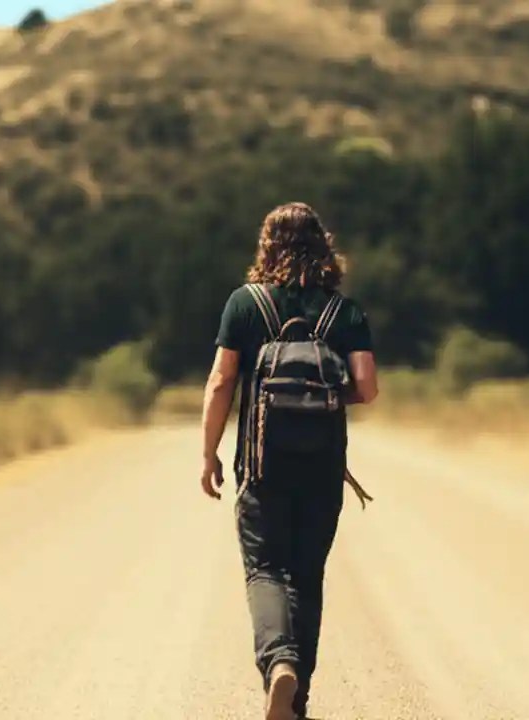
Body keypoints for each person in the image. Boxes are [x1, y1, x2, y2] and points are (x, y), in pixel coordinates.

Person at [200, 202, 379, 720]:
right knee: (307, 576)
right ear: (324, 246)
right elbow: (366, 388)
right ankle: (297, 702)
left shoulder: (244, 304)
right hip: (322, 470)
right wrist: (324, 395)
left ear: (267, 246)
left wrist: (208, 452)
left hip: (261, 468)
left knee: (265, 570)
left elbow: (220, 381)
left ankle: (279, 663)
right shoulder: (344, 313)